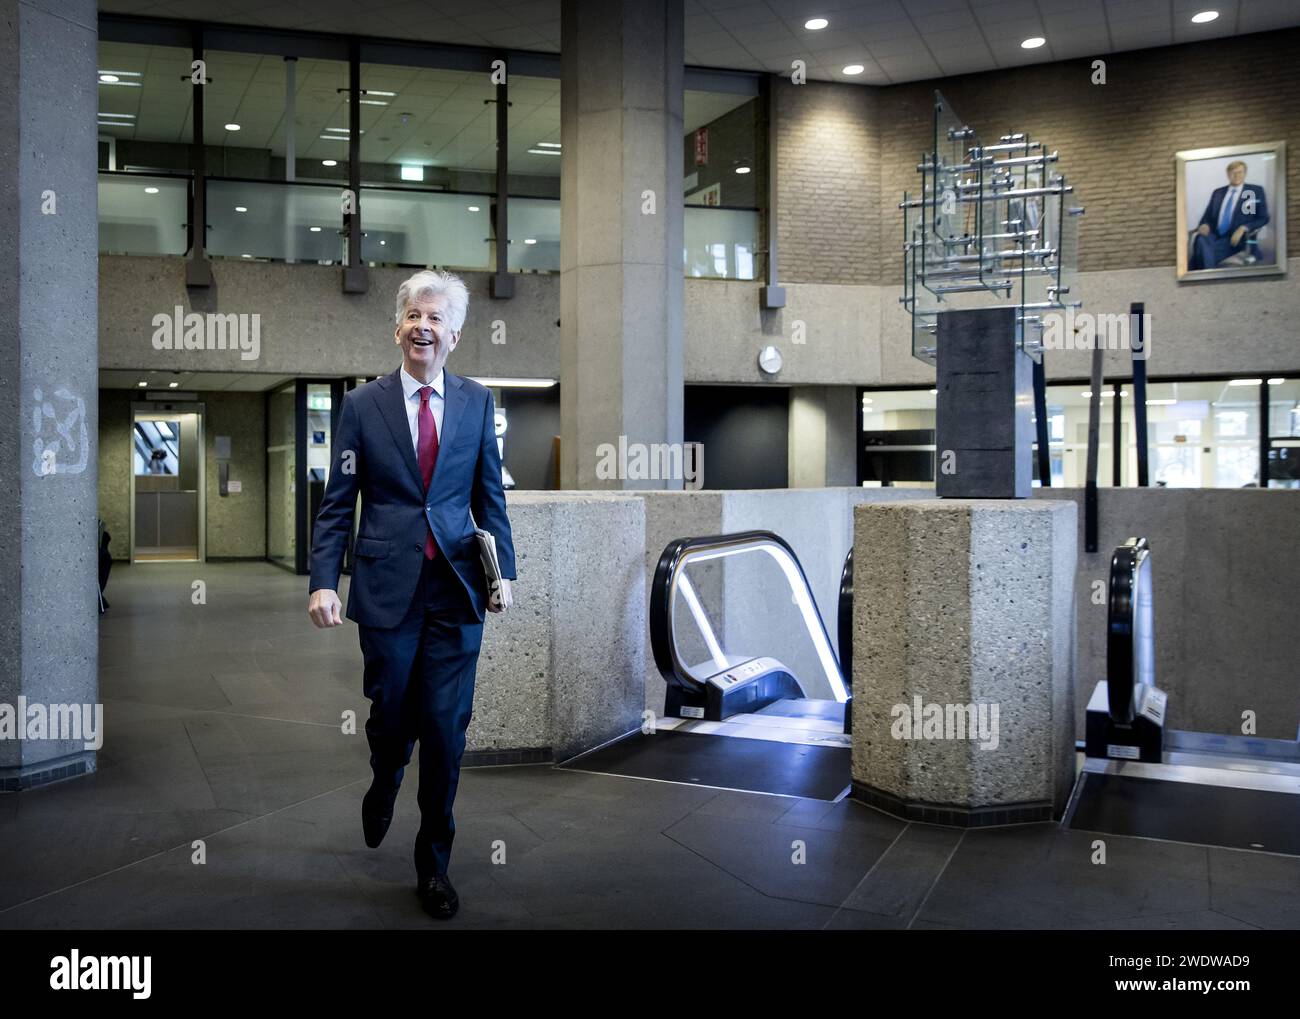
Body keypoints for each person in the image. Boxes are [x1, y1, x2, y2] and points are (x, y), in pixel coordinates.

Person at [307, 269, 516, 920]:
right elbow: (338, 503)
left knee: (446, 731)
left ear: (453, 334)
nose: (423, 327)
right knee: (393, 714)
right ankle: (385, 773)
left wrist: (503, 569)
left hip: (456, 590)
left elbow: (490, 496)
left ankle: (434, 862)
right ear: (398, 327)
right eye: (413, 316)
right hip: (386, 587)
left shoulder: (478, 403)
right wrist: (322, 580)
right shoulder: (362, 407)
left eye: (436, 319)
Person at [1190, 159, 1270, 270]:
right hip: (1214, 235)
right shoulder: (1218, 193)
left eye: (1240, 172)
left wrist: (1244, 227)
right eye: (1233, 173)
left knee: (1201, 250)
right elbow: (1207, 216)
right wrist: (1205, 224)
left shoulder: (1250, 193)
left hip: (1235, 239)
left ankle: (1198, 274)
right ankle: (1208, 274)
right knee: (1200, 239)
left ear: (1245, 173)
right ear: (1227, 174)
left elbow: (1263, 218)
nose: (1236, 175)